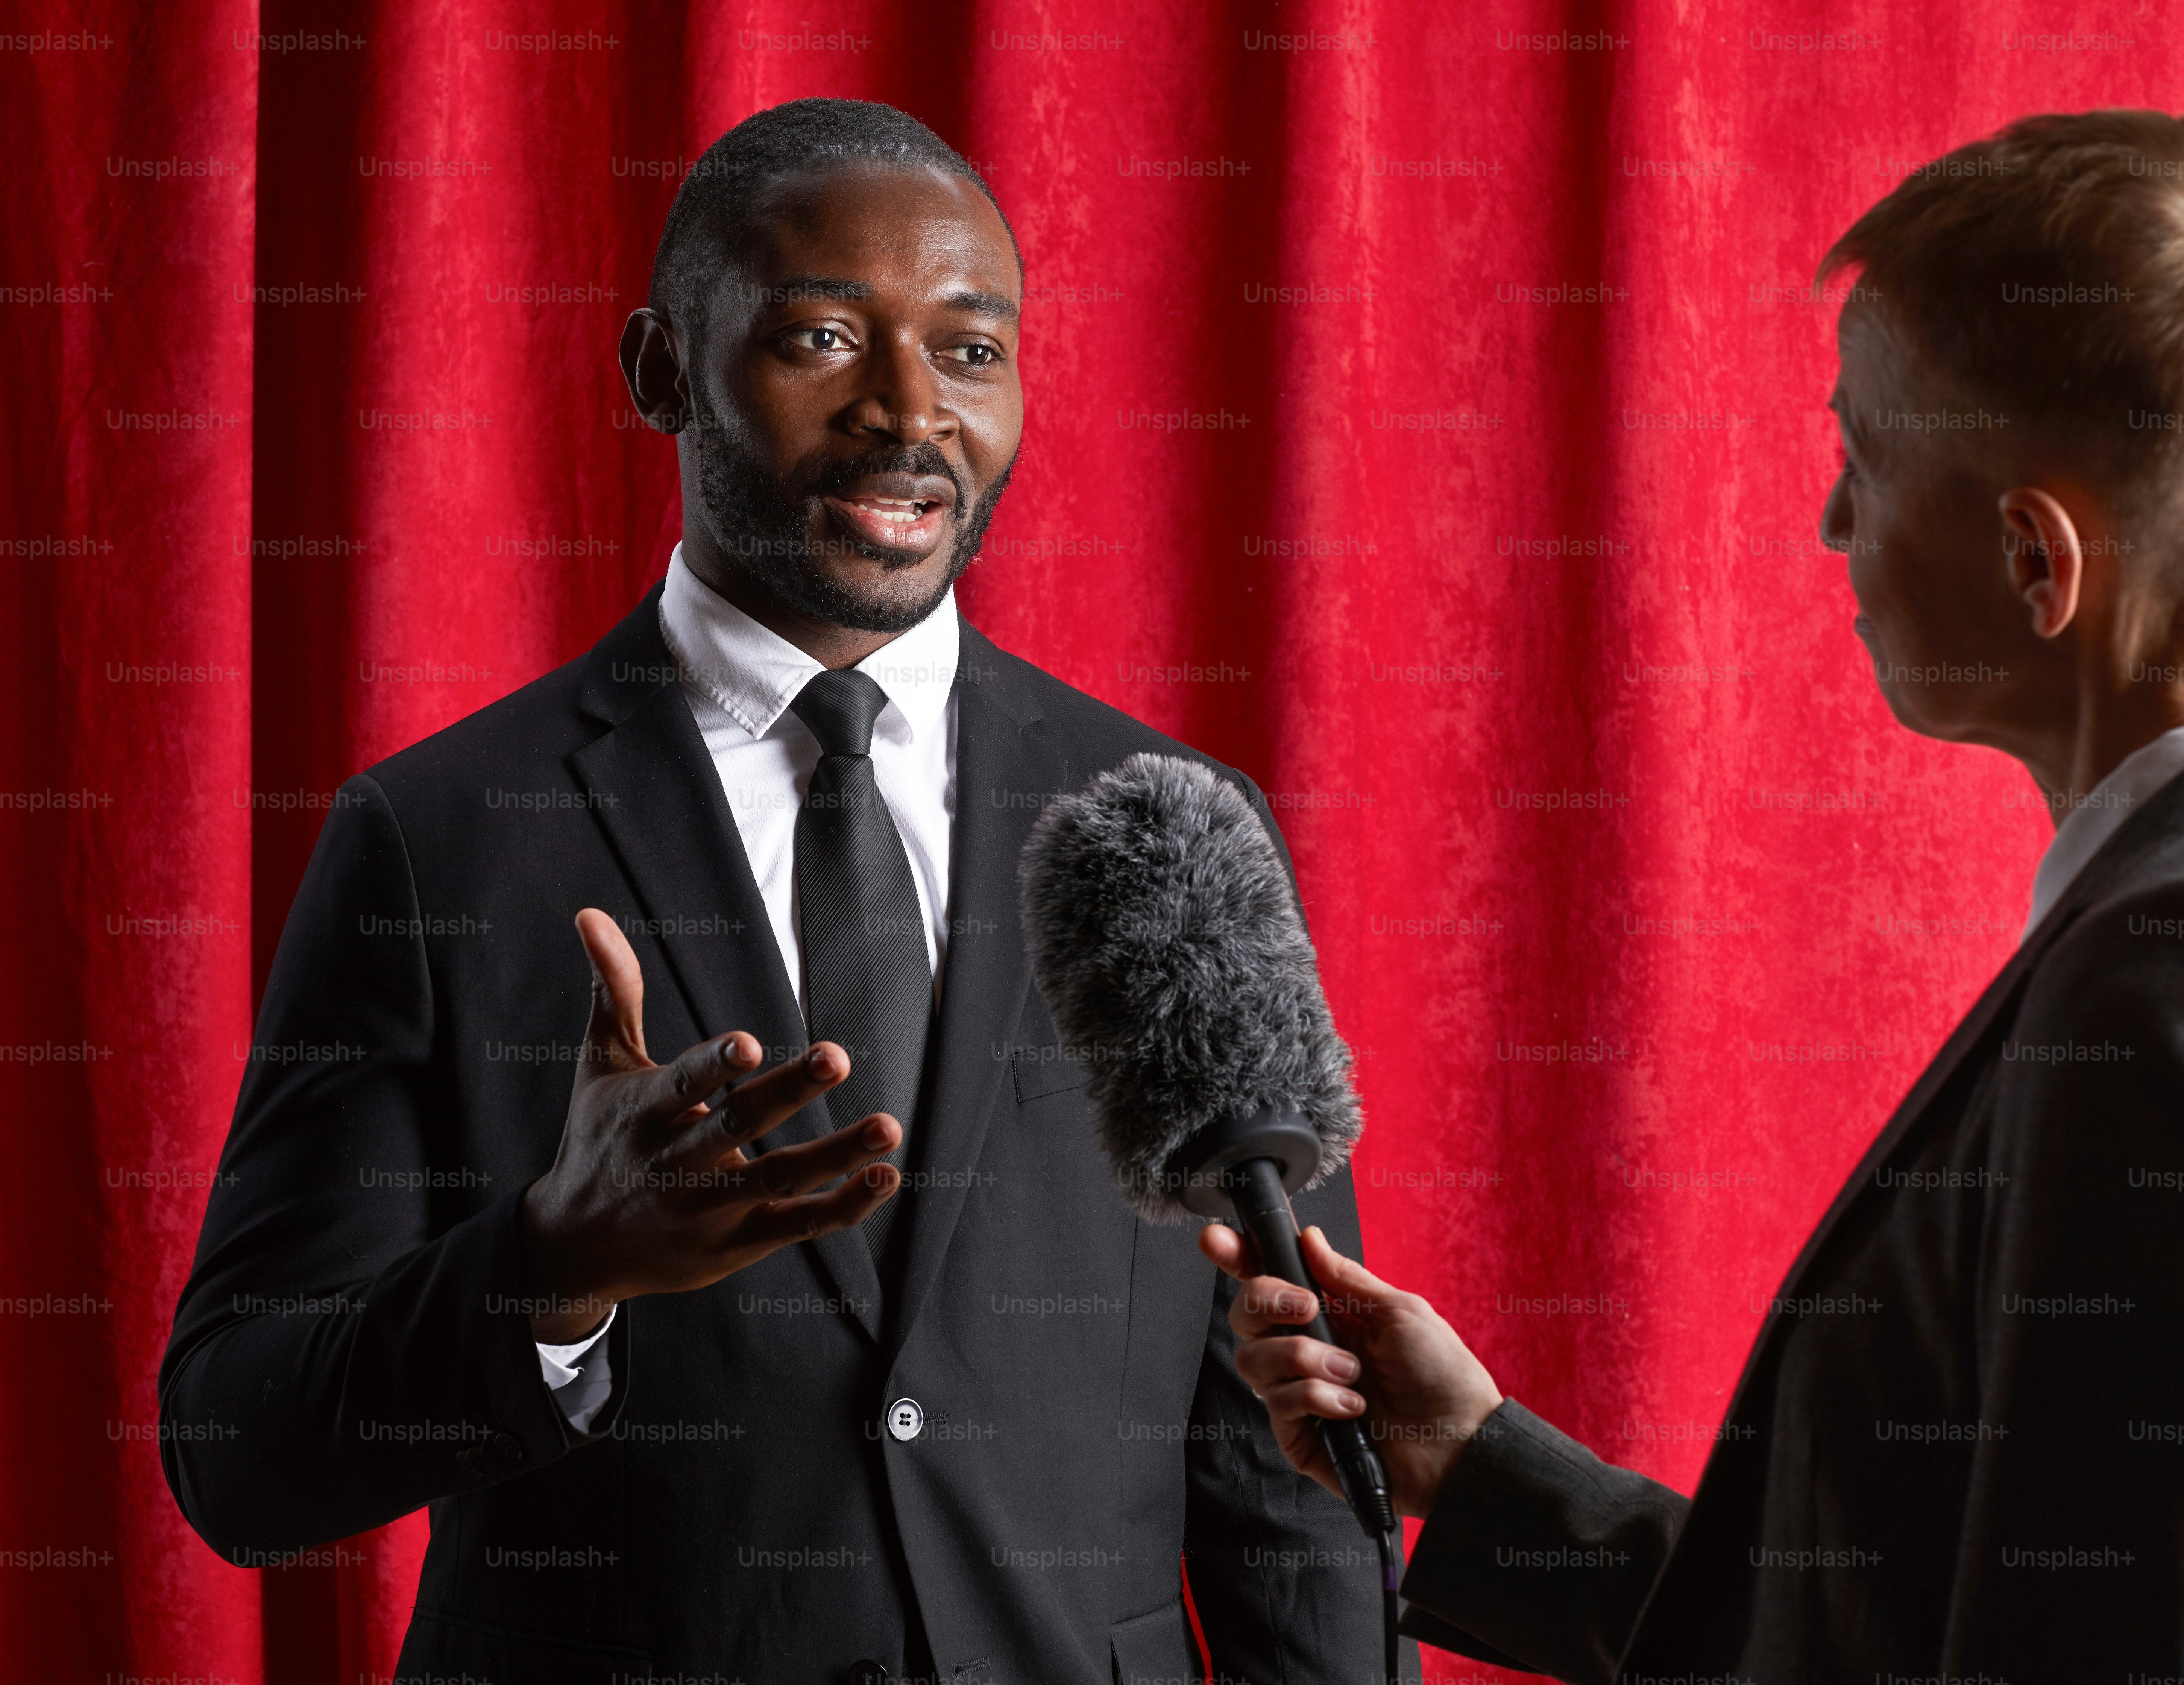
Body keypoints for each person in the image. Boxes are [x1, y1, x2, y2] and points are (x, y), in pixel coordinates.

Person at [161, 99, 1401, 1684]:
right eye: (823, 337)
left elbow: (1293, 1468)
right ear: (663, 370)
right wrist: (551, 1264)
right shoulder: (441, 836)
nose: (908, 414)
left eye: (970, 351)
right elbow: (238, 1445)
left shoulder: (1170, 829)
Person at [1211, 109, 2184, 1683]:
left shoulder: (2155, 982)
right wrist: (1485, 1465)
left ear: (2034, 563)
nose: (1830, 523)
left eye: (1863, 459)